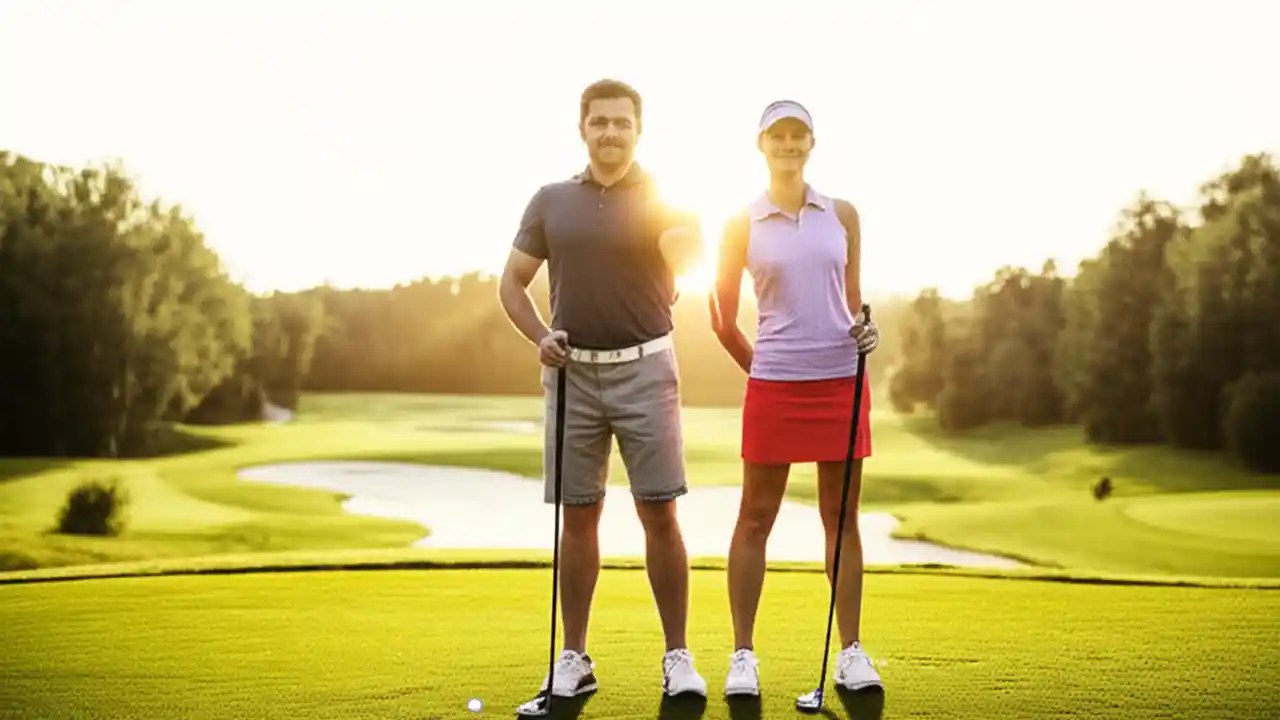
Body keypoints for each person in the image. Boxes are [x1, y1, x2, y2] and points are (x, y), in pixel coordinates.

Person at [498, 78, 709, 702]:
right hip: (572, 375)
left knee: (659, 514)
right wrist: (539, 335)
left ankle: (678, 659)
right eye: (600, 122)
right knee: (579, 517)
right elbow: (511, 282)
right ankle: (574, 658)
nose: (611, 132)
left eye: (622, 122)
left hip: (646, 368)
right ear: (582, 129)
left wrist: (678, 253)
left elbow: (691, 260)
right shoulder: (550, 200)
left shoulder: (667, 200)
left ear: (638, 130)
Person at [708, 99, 882, 697]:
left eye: (798, 134)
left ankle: (852, 652)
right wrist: (760, 370)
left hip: (840, 379)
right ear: (762, 145)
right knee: (755, 518)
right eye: (777, 135)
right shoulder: (740, 223)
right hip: (776, 384)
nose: (788, 143)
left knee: (842, 520)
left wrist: (866, 329)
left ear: (812, 142)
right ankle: (742, 658)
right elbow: (721, 316)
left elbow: (853, 297)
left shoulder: (844, 214)